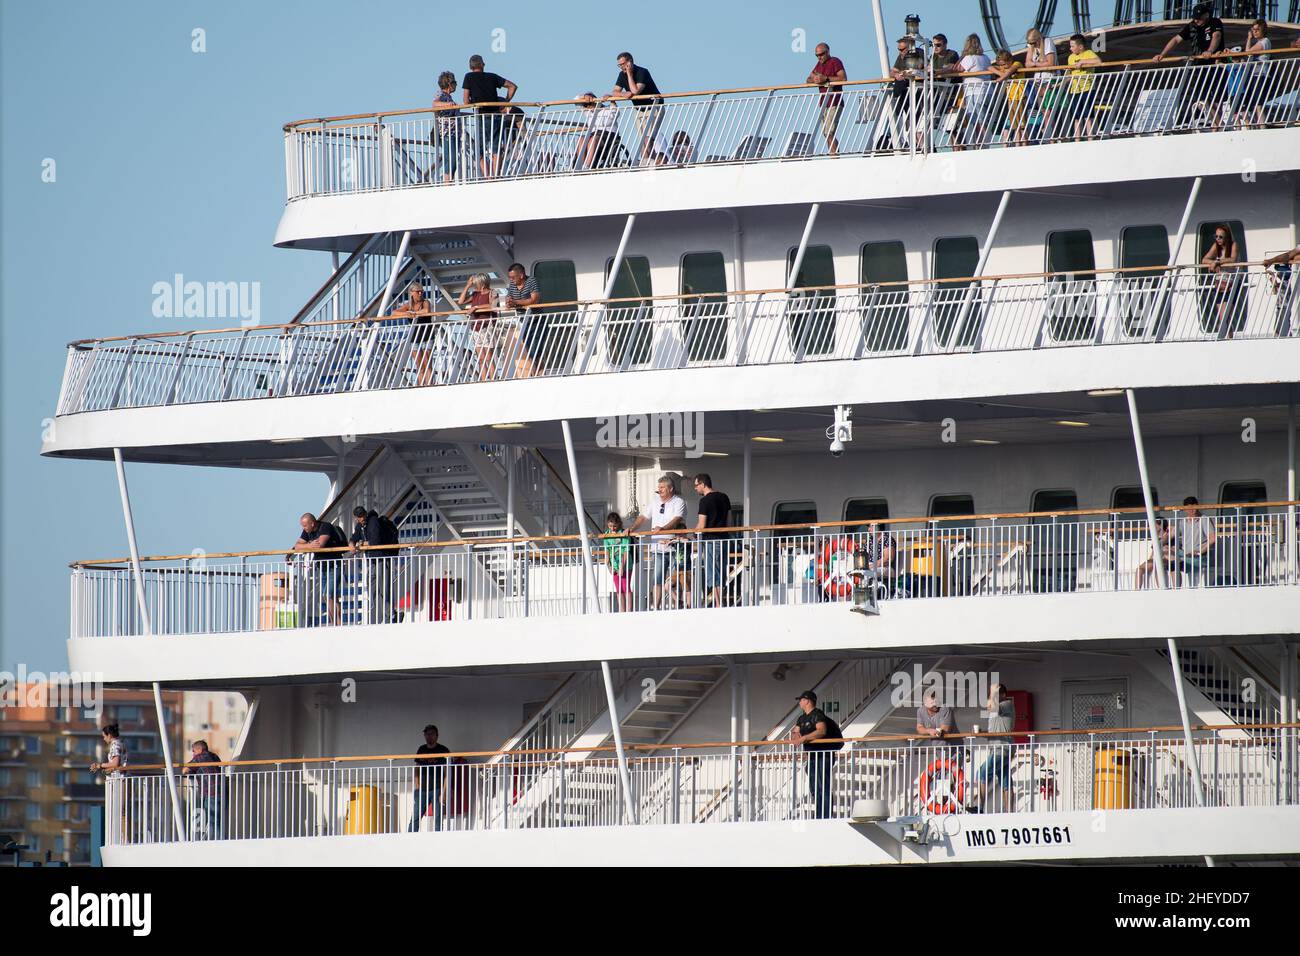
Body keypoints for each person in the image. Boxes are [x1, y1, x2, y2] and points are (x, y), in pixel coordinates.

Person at [627, 474, 687, 609]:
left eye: (662, 487)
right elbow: (643, 517)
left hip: (674, 546)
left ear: (670, 488)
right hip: (658, 548)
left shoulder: (679, 502)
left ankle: (677, 605)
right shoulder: (654, 501)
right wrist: (631, 528)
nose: (659, 490)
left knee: (675, 579)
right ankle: (656, 607)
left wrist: (663, 529)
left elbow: (677, 519)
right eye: (658, 487)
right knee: (657, 580)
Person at [462, 54, 517, 178]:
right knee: (496, 149)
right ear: (483, 65)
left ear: (471, 66)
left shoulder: (469, 77)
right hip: (496, 116)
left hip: (481, 116)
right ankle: (496, 175)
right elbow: (513, 86)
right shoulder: (492, 76)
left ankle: (488, 176)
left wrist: (473, 103)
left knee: (478, 150)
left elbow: (465, 100)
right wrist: (505, 102)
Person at [790, 690, 843, 819]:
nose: (799, 702)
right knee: (814, 786)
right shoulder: (802, 718)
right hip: (813, 756)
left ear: (807, 700)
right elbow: (795, 731)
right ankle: (820, 813)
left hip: (823, 755)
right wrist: (797, 735)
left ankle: (824, 815)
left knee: (822, 785)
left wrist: (804, 738)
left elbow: (821, 730)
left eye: (801, 699)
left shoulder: (817, 714)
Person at [290, 512, 349, 625]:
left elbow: (320, 545)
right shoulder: (307, 531)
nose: (303, 528)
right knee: (332, 596)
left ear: (312, 523)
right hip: (321, 567)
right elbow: (297, 546)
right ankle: (338, 622)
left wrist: (308, 545)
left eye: (305, 525)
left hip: (334, 565)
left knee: (327, 594)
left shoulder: (325, 527)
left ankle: (335, 623)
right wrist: (309, 545)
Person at [609, 52, 663, 164]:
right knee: (644, 140)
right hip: (639, 110)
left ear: (630, 62)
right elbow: (614, 91)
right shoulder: (621, 75)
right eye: (619, 65)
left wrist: (629, 74)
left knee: (648, 140)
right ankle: (648, 163)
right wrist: (624, 94)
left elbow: (634, 91)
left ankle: (649, 164)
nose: (622, 67)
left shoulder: (642, 72)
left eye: (623, 64)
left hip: (653, 107)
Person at [350, 506, 402, 624]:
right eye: (359, 517)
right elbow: (354, 537)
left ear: (365, 514)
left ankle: (391, 615)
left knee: (384, 588)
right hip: (372, 560)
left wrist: (361, 543)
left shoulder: (373, 522)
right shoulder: (360, 525)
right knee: (372, 586)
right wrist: (351, 543)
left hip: (381, 558)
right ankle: (387, 614)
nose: (361, 519)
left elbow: (375, 541)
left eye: (362, 516)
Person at [972, 684, 1015, 813]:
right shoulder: (994, 709)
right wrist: (982, 733)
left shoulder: (1007, 704)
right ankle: (1009, 812)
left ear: (1003, 695)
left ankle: (979, 807)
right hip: (997, 748)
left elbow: (992, 707)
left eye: (997, 694)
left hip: (1002, 748)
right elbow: (995, 724)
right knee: (1005, 779)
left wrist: (992, 692)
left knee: (982, 772)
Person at [693, 474, 732, 608]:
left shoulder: (704, 501)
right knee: (722, 570)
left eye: (696, 485)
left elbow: (702, 525)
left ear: (703, 484)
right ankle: (721, 601)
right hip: (725, 539)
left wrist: (694, 533)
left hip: (711, 540)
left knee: (712, 573)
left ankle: (718, 603)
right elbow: (729, 522)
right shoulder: (724, 497)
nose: (695, 488)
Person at [389, 280, 435, 386]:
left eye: (422, 291)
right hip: (415, 337)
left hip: (427, 335)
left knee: (427, 363)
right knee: (419, 364)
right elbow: (393, 313)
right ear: (412, 293)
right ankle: (420, 386)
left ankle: (429, 386)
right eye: (418, 291)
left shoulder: (425, 302)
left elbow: (426, 311)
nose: (420, 293)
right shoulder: (408, 305)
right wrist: (407, 313)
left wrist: (413, 313)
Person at [806, 42, 847, 155]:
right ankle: (833, 154)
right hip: (824, 103)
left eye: (821, 54)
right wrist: (815, 79)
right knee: (826, 133)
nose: (819, 57)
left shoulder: (835, 61)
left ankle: (834, 156)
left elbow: (843, 78)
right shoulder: (819, 65)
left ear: (828, 52)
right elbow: (808, 79)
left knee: (829, 132)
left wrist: (826, 78)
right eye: (817, 55)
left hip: (834, 101)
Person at [952, 35, 992, 150]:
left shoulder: (969, 58)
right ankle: (982, 143)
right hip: (986, 90)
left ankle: (980, 144)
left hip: (974, 91)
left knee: (976, 119)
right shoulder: (985, 57)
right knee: (982, 118)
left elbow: (957, 69)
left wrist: (961, 56)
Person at [90, 723, 129, 841]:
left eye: (104, 736)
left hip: (120, 780)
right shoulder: (120, 743)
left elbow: (115, 763)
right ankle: (125, 836)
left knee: (121, 811)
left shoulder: (115, 745)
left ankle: (125, 838)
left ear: (109, 735)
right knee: (122, 811)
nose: (103, 739)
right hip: (122, 779)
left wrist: (99, 765)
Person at [409, 724, 450, 832]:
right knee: (416, 817)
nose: (429, 736)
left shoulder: (443, 750)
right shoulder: (421, 749)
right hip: (422, 789)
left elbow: (447, 772)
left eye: (431, 734)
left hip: (437, 789)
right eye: (426, 734)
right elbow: (417, 769)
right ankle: (408, 838)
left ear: (437, 735)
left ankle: (438, 840)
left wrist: (444, 792)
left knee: (438, 817)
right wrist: (417, 786)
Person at [1202, 223, 1240, 337]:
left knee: (1226, 315)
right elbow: (1204, 259)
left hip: (1231, 282)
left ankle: (1229, 337)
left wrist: (1218, 262)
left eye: (1221, 237)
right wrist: (1213, 263)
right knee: (1222, 315)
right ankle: (1228, 336)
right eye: (1216, 236)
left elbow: (1232, 259)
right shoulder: (1216, 246)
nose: (1218, 239)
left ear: (1227, 237)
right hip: (1220, 283)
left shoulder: (1234, 245)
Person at [458, 273, 498, 379]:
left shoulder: (492, 292)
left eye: (476, 283)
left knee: (489, 357)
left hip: (487, 327)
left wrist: (475, 307)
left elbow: (493, 305)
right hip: (476, 327)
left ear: (482, 283)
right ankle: (484, 380)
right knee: (481, 358)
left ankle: (493, 380)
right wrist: (468, 285)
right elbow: (460, 301)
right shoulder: (475, 294)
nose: (475, 286)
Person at [1153, 2, 1225, 61]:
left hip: (1214, 62)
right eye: (1195, 18)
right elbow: (1176, 39)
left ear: (1207, 15)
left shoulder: (1215, 22)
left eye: (1199, 18)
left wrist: (1210, 51)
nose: (1196, 20)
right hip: (1198, 63)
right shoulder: (1191, 26)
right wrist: (1162, 54)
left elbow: (1217, 36)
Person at [504, 263, 540, 378]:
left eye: (513, 277)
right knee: (529, 347)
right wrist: (509, 302)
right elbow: (509, 299)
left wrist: (516, 302)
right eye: (510, 277)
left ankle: (539, 370)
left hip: (536, 319)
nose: (511, 280)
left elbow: (534, 299)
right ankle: (537, 370)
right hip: (523, 320)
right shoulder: (512, 285)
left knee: (536, 347)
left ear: (521, 275)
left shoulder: (531, 281)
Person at [182, 740, 224, 839]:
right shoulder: (214, 756)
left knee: (212, 819)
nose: (193, 754)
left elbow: (185, 770)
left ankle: (215, 841)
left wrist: (190, 772)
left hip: (211, 792)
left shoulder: (200, 757)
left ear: (199, 749)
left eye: (193, 751)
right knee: (217, 818)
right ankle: (218, 838)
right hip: (222, 790)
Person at [1234, 20, 1272, 129]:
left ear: (1263, 30)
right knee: (1254, 103)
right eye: (1253, 30)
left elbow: (1247, 52)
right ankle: (1258, 126)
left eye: (1257, 30)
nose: (1255, 32)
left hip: (1259, 75)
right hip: (1256, 74)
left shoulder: (1264, 42)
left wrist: (1249, 39)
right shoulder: (1262, 42)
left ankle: (1262, 127)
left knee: (1258, 104)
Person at [1065, 34, 1101, 141]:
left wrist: (1083, 62)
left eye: (1072, 46)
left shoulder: (1088, 53)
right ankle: (1077, 138)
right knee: (1076, 116)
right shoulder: (1071, 57)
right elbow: (1069, 75)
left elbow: (1098, 61)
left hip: (1087, 89)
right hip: (1075, 90)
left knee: (1088, 115)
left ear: (1080, 47)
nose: (1070, 48)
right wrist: (1058, 84)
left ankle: (1090, 137)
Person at [1024, 28, 1057, 142]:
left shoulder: (1048, 42)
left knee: (1048, 110)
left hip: (1049, 80)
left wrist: (1035, 64)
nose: (1031, 45)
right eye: (1030, 43)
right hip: (1038, 81)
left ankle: (1050, 136)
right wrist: (1040, 64)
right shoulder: (1031, 47)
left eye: (1033, 42)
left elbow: (1050, 63)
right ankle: (1048, 135)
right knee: (1043, 110)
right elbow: (1027, 64)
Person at [1177, 497, 1217, 587]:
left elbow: (1213, 538)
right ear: (1185, 509)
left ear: (1197, 506)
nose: (1191, 510)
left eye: (1193, 507)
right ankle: (1175, 588)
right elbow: (1172, 533)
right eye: (1188, 508)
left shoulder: (1204, 519)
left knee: (1174, 564)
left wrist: (1199, 551)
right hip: (1185, 555)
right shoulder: (1183, 522)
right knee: (1167, 560)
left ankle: (1178, 589)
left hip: (1199, 556)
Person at [431, 71, 462, 183]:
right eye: (455, 83)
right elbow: (435, 104)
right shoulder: (441, 95)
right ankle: (447, 181)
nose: (456, 85)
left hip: (454, 133)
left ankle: (449, 179)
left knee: (454, 158)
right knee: (451, 157)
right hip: (447, 133)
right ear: (450, 84)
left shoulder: (449, 97)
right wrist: (449, 105)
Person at [929, 34, 962, 137]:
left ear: (945, 45)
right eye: (934, 45)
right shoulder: (933, 56)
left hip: (952, 92)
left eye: (938, 45)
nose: (936, 48)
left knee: (952, 122)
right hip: (939, 92)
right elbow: (928, 68)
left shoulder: (952, 54)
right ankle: (955, 145)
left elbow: (950, 67)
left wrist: (935, 71)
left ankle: (960, 144)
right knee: (944, 122)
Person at [576, 92, 620, 169]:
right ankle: (580, 165)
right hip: (593, 135)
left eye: (590, 103)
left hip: (608, 137)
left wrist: (611, 99)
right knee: (581, 139)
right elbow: (576, 99)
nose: (588, 107)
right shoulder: (588, 112)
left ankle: (587, 165)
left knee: (593, 139)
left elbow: (615, 110)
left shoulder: (607, 109)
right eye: (586, 105)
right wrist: (584, 96)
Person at [991, 48, 1026, 144]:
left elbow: (1011, 71)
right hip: (1010, 98)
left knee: (1022, 124)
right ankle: (1018, 143)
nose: (1003, 67)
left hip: (1020, 96)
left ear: (1010, 60)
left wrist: (1001, 78)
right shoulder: (1004, 69)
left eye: (1005, 64)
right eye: (1001, 65)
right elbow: (989, 67)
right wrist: (1002, 73)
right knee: (1015, 125)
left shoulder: (1017, 63)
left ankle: (1024, 143)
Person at [1264, 243, 1299, 336]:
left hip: (1283, 305)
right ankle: (1283, 334)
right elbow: (1289, 255)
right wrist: (1271, 262)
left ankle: (1284, 334)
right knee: (1281, 319)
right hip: (1281, 305)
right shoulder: (1284, 282)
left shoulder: (1285, 282)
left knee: (1283, 319)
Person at [1134, 517, 1180, 589]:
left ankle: (1163, 589)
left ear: (1160, 525)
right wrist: (1150, 559)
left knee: (1158, 566)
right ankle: (1137, 590)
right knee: (1139, 569)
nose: (1152, 527)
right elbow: (1153, 552)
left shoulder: (1169, 534)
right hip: (1156, 557)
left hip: (1168, 557)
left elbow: (1174, 529)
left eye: (1154, 525)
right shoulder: (1156, 537)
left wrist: (1166, 528)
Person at [602, 512, 633, 612]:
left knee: (625, 586)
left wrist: (622, 567)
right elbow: (607, 552)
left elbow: (626, 551)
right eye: (610, 526)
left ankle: (629, 611)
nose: (612, 528)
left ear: (619, 524)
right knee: (618, 589)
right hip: (614, 564)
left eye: (614, 526)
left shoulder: (623, 533)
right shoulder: (606, 535)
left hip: (625, 564)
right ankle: (622, 610)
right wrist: (609, 566)